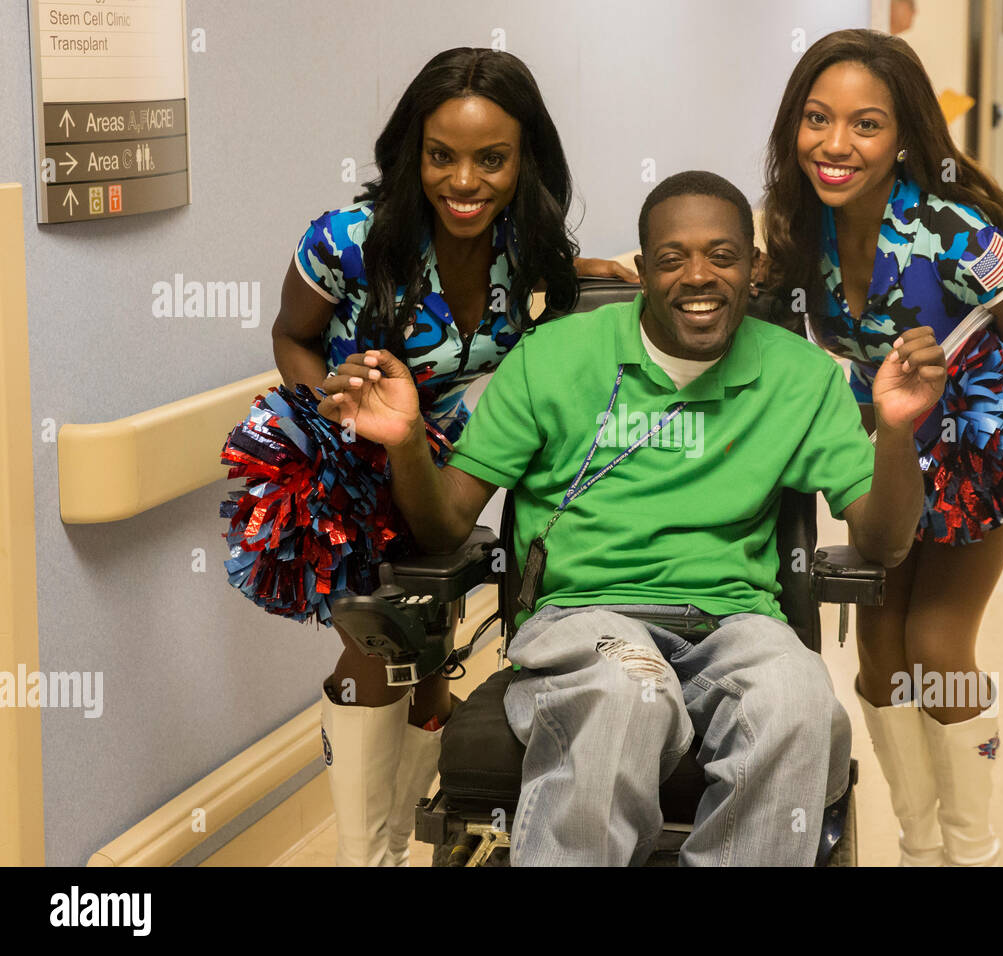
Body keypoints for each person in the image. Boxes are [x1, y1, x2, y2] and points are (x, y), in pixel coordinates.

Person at [316, 170, 949, 866]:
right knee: (632, 690)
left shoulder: (801, 377)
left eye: (723, 255)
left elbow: (884, 544)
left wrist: (895, 432)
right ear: (645, 271)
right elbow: (444, 527)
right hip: (584, 619)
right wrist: (407, 442)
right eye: (674, 259)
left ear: (754, 265)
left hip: (738, 623)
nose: (699, 277)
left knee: (799, 701)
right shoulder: (553, 360)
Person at [221, 48, 633, 867]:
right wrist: (332, 415)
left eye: (491, 158)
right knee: (377, 644)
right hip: (334, 465)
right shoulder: (348, 240)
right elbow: (290, 334)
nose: (464, 180)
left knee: (430, 654)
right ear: (414, 152)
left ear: (525, 161)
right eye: (441, 155)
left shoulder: (527, 245)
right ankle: (362, 858)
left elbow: (553, 292)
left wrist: (602, 271)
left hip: (435, 464)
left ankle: (403, 844)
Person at [761, 29, 1003, 866]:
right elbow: (739, 289)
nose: (835, 145)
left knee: (937, 646)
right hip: (898, 451)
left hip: (988, 446)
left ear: (903, 135)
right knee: (878, 653)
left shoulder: (957, 230)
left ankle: (971, 852)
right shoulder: (802, 229)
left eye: (864, 125)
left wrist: (976, 418)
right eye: (816, 119)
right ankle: (918, 848)